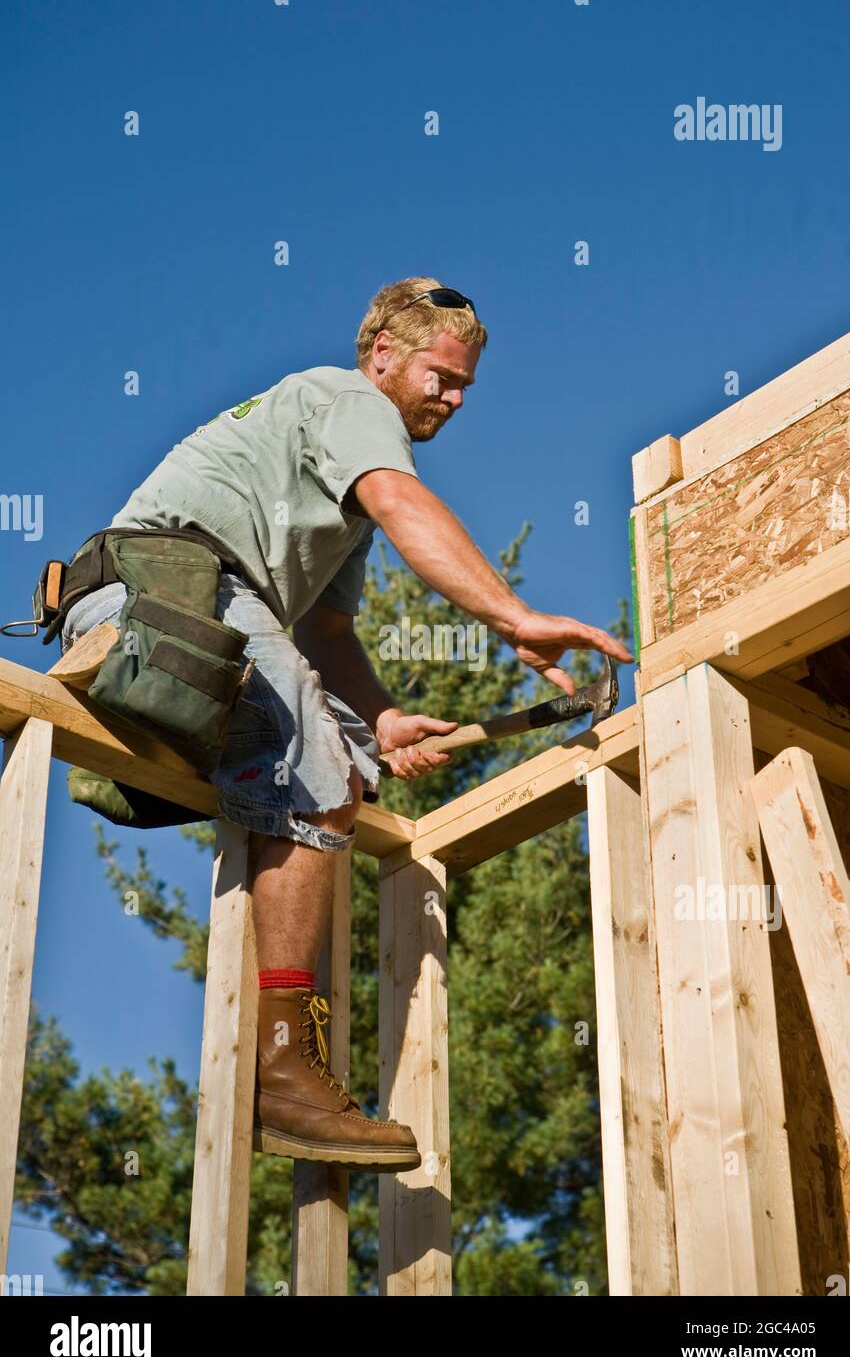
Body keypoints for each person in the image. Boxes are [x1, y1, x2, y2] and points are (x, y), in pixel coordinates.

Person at [61, 276, 633, 1172]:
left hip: (189, 605)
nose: (451, 397)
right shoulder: (347, 400)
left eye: (464, 386)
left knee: (348, 761)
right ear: (381, 358)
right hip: (158, 593)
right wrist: (515, 619)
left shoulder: (333, 488)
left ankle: (289, 1050)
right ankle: (289, 1075)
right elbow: (405, 504)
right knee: (312, 767)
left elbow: (326, 630)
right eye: (439, 376)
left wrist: (384, 717)